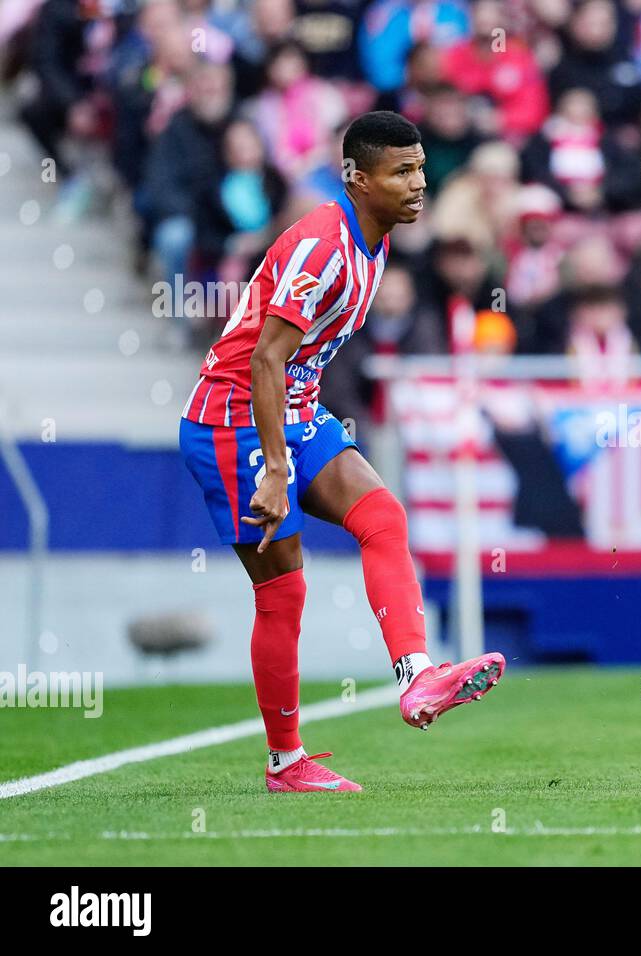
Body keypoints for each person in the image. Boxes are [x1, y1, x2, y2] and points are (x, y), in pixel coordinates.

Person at [178, 112, 506, 794]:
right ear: (358, 178)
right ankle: (285, 763)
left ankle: (418, 679)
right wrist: (275, 469)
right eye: (401, 172)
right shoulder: (324, 247)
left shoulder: (375, 242)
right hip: (234, 420)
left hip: (294, 408)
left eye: (420, 169)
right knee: (284, 592)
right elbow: (264, 360)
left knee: (383, 517)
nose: (419, 184)